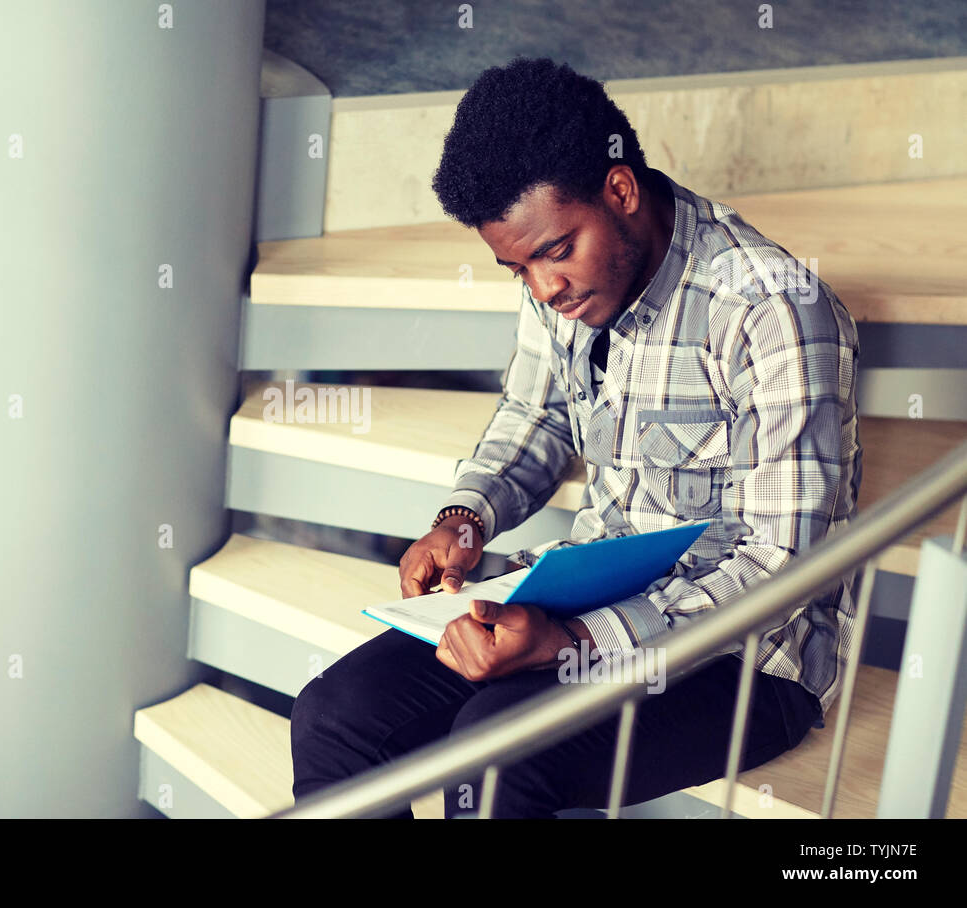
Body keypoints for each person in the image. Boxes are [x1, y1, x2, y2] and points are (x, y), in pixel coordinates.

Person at [290, 57, 862, 819]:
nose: (543, 290)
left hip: (748, 657)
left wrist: (575, 643)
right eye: (516, 268)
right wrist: (463, 521)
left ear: (620, 191)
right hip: (584, 594)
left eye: (555, 252)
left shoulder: (770, 311)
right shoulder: (563, 282)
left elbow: (782, 568)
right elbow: (537, 416)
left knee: (494, 757)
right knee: (332, 718)